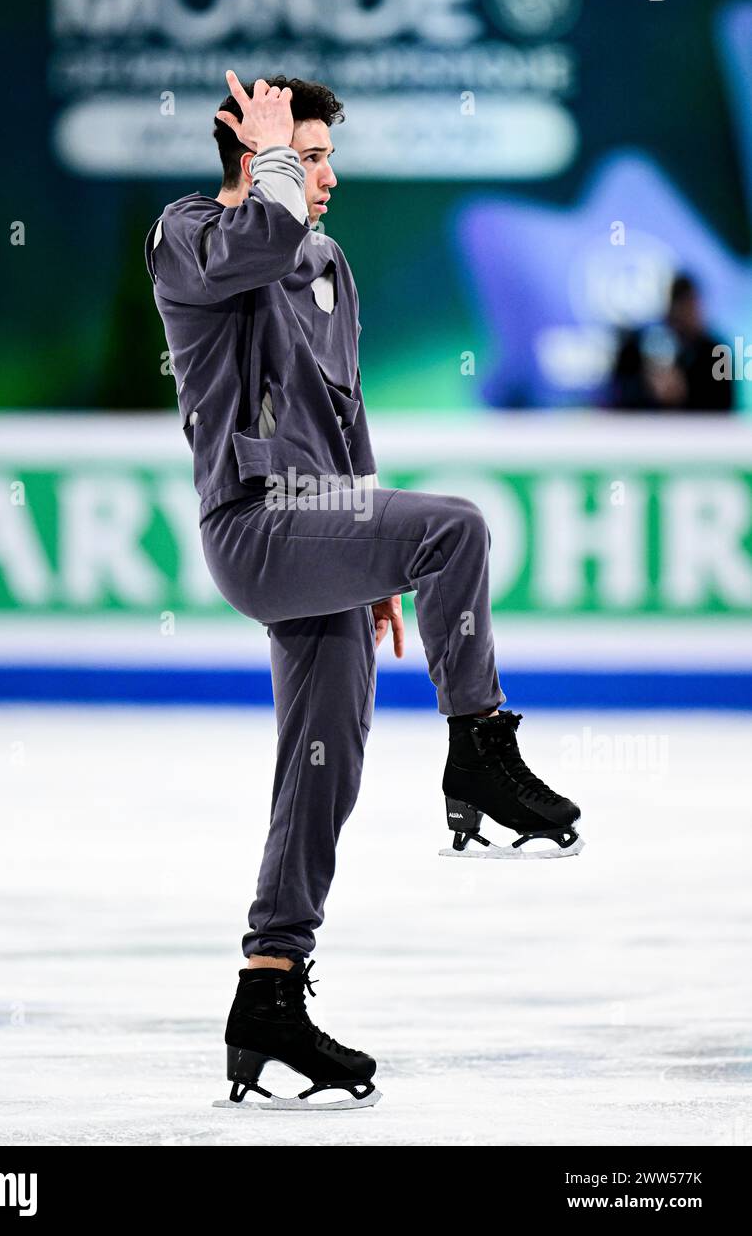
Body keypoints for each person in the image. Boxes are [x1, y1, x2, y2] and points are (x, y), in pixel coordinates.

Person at [145, 71, 583, 1111]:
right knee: (458, 525)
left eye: (327, 156)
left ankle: (268, 991)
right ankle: (476, 748)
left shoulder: (328, 261)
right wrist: (269, 168)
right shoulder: (190, 232)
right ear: (255, 151)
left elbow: (343, 410)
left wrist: (369, 545)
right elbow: (253, 244)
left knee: (324, 758)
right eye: (311, 153)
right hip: (254, 526)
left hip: (325, 528)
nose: (328, 176)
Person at [608, 273, 734, 412]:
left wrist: (685, 392)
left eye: (693, 304)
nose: (691, 312)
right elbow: (617, 396)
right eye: (682, 304)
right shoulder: (635, 345)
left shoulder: (716, 351)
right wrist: (647, 388)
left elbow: (724, 408)